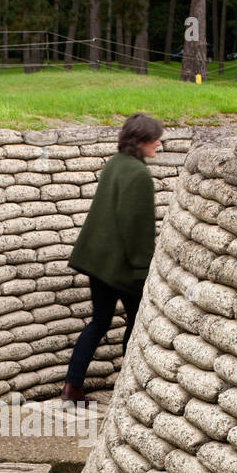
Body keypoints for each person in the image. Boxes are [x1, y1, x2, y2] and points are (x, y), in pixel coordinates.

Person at [60, 111, 163, 404]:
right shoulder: (139, 174)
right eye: (154, 139)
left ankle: (72, 386)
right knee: (137, 321)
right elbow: (136, 227)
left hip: (97, 262)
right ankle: (129, 388)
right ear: (140, 141)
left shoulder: (115, 164)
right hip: (122, 268)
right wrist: (144, 269)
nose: (158, 143)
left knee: (99, 322)